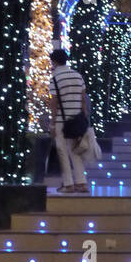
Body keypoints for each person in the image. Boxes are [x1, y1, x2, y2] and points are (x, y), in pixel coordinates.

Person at [49, 49, 90, 195]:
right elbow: (83, 99)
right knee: (75, 150)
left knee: (62, 150)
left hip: (62, 120)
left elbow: (54, 103)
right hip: (77, 118)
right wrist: (84, 117)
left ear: (54, 61)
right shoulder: (77, 75)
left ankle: (68, 184)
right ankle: (81, 182)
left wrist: (53, 123)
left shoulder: (55, 78)